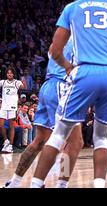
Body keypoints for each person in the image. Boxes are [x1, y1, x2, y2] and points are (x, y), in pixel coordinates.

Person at [30, 0, 107, 188]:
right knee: (98, 139)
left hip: (75, 78)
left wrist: (68, 67)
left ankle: (37, 183)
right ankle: (89, 184)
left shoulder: (72, 8)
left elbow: (54, 51)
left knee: (60, 138)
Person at [5, 42, 83, 188]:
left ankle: (14, 183)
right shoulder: (82, 37)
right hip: (61, 87)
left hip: (47, 87)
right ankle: (61, 185)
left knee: (39, 141)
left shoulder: (60, 38)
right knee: (74, 142)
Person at [0, 67, 27, 153]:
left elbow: (24, 87)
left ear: (13, 74)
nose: (9, 74)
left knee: (12, 126)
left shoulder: (16, 82)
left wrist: (24, 81)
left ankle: (10, 146)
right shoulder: (3, 82)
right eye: (8, 73)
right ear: (6, 74)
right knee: (1, 125)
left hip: (12, 107)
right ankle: (6, 141)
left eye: (11, 73)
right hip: (4, 106)